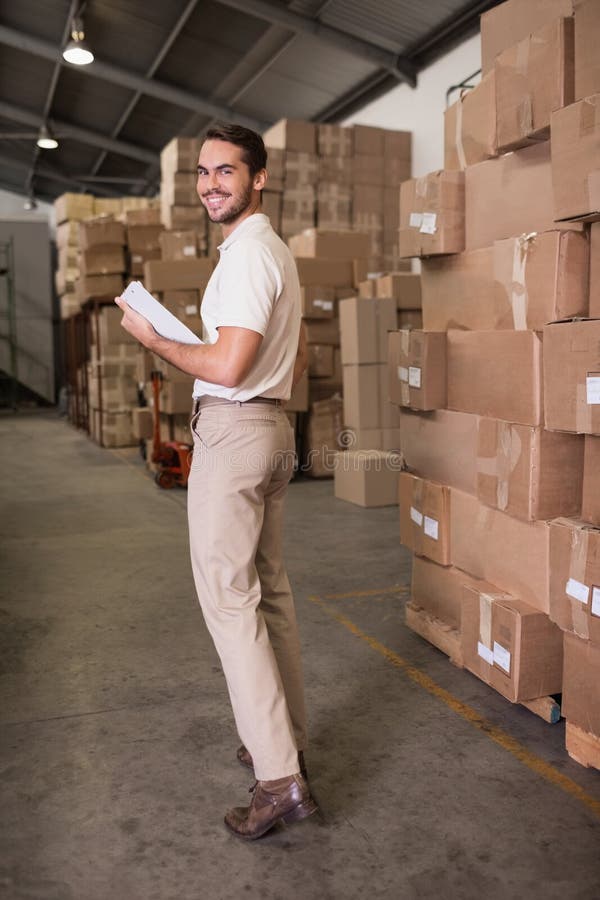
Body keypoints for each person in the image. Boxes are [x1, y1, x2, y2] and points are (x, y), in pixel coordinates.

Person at [115, 123, 316, 841]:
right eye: (202, 173)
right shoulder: (269, 254)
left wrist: (156, 339)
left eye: (225, 172)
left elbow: (228, 367)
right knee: (272, 593)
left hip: (235, 434)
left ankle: (278, 779)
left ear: (258, 178)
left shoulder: (248, 257)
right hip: (269, 431)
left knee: (231, 605)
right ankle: (282, 740)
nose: (210, 185)